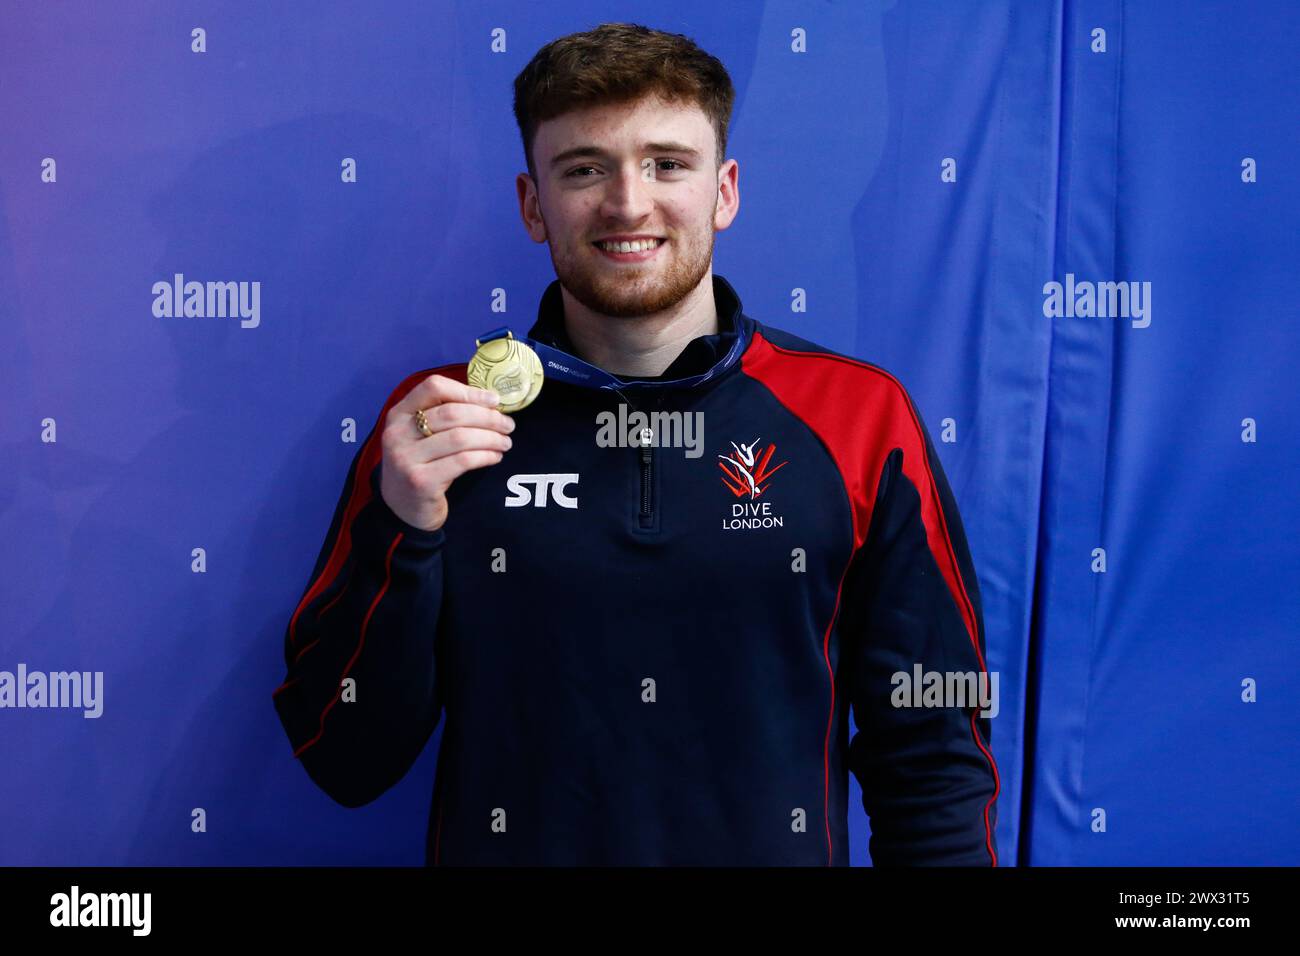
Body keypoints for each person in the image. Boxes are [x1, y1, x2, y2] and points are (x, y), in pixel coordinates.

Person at [272, 22, 1000, 866]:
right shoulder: (439, 424)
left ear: (724, 191)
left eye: (667, 163)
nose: (627, 203)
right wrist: (403, 530)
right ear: (532, 205)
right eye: (584, 169)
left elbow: (935, 750)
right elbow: (343, 756)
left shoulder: (859, 416)